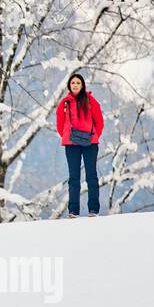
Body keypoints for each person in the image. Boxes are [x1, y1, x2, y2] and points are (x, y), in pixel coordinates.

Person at [55, 72, 104, 218]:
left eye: (78, 83)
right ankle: (73, 211)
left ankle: (93, 210)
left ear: (82, 85)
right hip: (71, 144)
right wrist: (68, 136)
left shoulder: (90, 101)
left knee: (91, 176)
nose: (75, 85)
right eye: (73, 83)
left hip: (90, 143)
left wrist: (94, 136)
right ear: (69, 85)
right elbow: (59, 124)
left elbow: (99, 121)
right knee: (74, 178)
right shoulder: (64, 103)